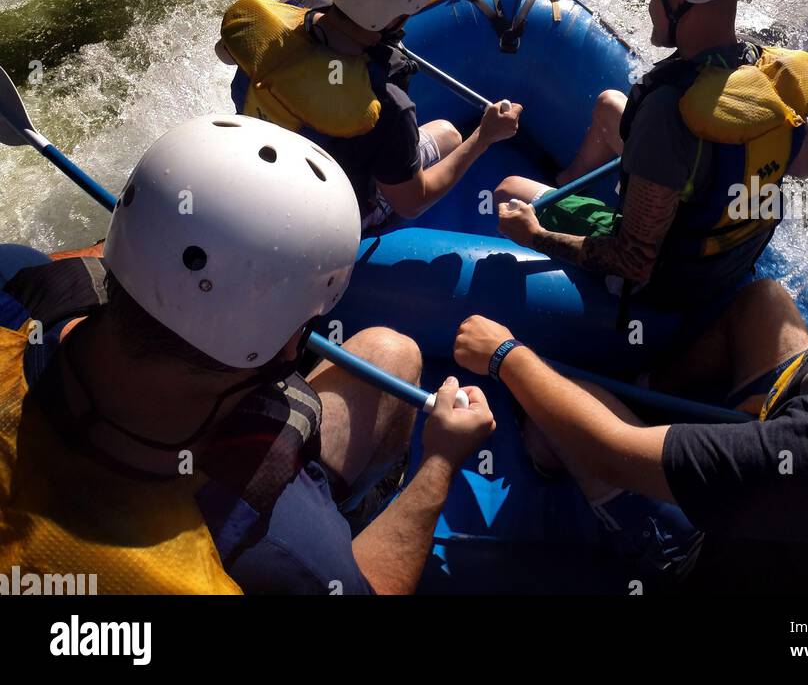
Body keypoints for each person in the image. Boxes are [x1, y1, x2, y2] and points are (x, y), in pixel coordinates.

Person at [456, 129, 808, 594]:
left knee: (568, 413)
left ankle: (562, 469)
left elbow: (611, 452)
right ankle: (648, 384)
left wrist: (505, 354)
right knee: (765, 302)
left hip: (709, 549)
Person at [0, 115, 495, 594]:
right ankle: (357, 504)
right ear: (288, 341)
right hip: (218, 522)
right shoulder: (290, 554)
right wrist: (439, 463)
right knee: (392, 354)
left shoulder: (16, 291)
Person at [493, 0, 808, 340]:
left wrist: (536, 235)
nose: (651, 5)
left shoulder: (668, 107)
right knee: (609, 105)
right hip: (729, 262)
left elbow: (633, 262)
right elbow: (801, 165)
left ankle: (553, 204)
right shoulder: (767, 76)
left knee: (509, 191)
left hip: (667, 284)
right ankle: (564, 185)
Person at [215, 0, 521, 230]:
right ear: (398, 18)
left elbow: (225, 51)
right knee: (448, 134)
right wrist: (484, 137)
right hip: (319, 215)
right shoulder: (384, 101)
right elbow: (412, 202)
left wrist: (291, 2)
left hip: (253, 171)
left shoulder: (267, 25)